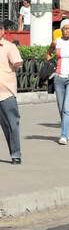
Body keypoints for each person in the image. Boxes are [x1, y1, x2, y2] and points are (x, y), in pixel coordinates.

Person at [0, 26, 23, 165]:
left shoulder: (9, 47)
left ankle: (15, 154)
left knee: (11, 124)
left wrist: (17, 63)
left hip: (6, 93)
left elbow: (17, 63)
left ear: (2, 31)